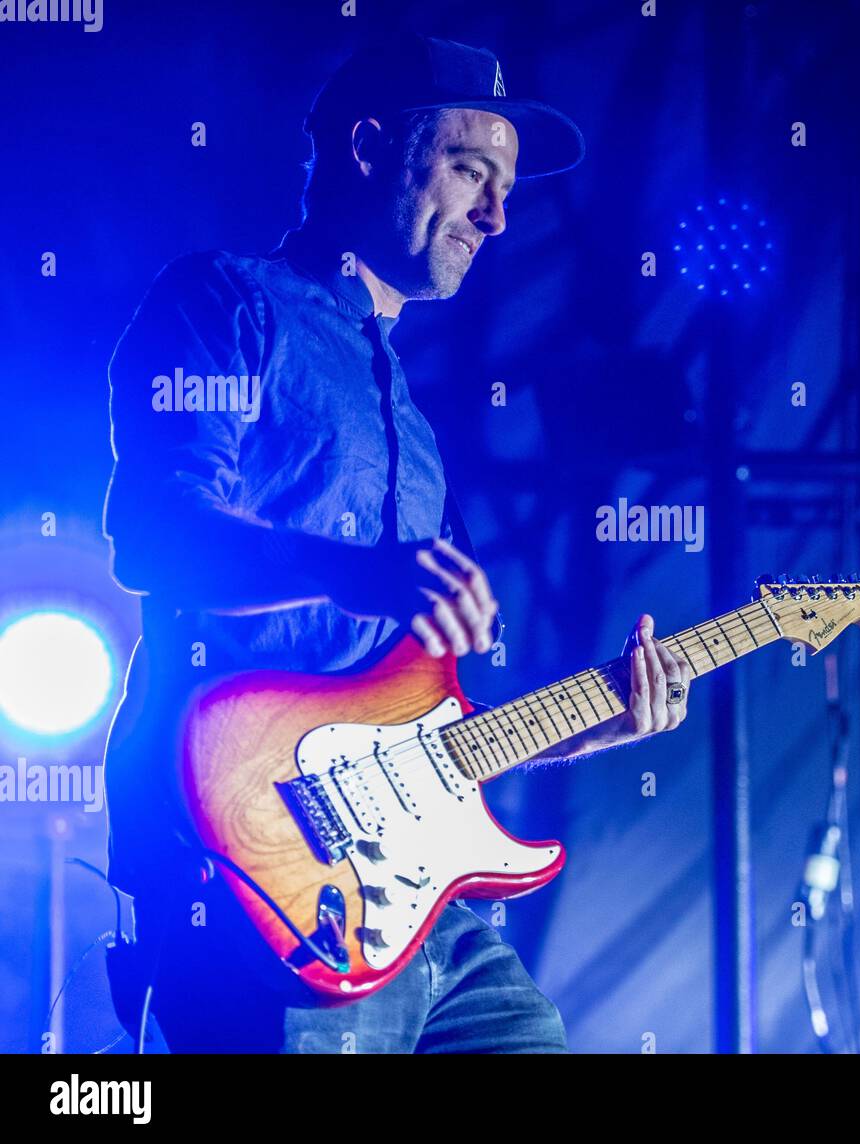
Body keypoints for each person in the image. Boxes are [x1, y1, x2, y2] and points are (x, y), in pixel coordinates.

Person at [101, 33, 691, 1054]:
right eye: (470, 170)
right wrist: (351, 570)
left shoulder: (414, 428)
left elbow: (418, 731)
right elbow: (156, 534)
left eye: (505, 188)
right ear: (370, 147)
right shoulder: (226, 302)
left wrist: (591, 725)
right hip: (262, 872)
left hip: (421, 908)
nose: (496, 215)